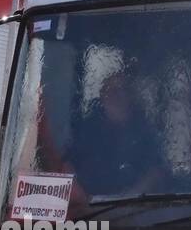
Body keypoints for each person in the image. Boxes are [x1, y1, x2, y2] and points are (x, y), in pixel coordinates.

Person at [66, 69, 168, 197]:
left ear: (130, 96)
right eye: (110, 91)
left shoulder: (144, 131)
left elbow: (157, 172)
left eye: (121, 90)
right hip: (90, 211)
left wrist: (131, 197)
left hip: (136, 209)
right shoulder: (86, 130)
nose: (115, 96)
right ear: (102, 95)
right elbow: (67, 167)